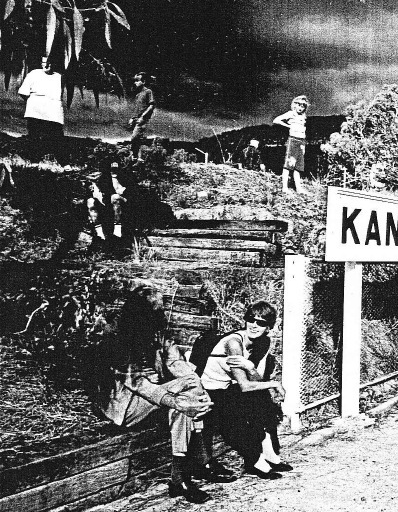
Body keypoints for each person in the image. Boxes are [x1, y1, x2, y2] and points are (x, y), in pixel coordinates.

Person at [93, 285, 215, 504]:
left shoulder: (158, 333)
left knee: (190, 388)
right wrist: (175, 401)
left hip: (151, 394)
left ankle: (186, 472)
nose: (157, 316)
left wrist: (198, 389)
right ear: (136, 312)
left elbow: (176, 362)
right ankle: (188, 471)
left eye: (159, 310)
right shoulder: (120, 339)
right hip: (126, 405)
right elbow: (137, 384)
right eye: (151, 311)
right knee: (182, 405)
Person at [200, 301, 289, 479]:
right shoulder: (234, 343)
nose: (254, 326)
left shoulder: (262, 342)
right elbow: (245, 385)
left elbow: (256, 378)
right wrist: (274, 384)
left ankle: (268, 453)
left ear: (269, 327)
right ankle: (254, 460)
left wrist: (250, 367)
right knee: (238, 412)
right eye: (251, 320)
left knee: (261, 401)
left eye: (261, 323)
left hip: (225, 386)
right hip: (207, 389)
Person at [18, 56, 64, 142]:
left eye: (49, 63)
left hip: (53, 113)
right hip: (36, 110)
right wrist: (34, 102)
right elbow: (23, 92)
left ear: (53, 63)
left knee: (54, 139)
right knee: (35, 137)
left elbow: (59, 95)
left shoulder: (59, 77)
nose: (46, 65)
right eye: (44, 63)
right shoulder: (34, 74)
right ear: (41, 63)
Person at [87, 161, 134, 245]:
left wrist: (122, 191)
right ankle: (99, 233)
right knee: (90, 202)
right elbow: (98, 193)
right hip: (106, 203)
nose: (113, 171)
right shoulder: (105, 179)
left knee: (115, 197)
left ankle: (117, 230)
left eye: (116, 169)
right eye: (112, 169)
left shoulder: (125, 177)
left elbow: (130, 193)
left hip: (121, 203)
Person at [273, 95, 309, 193]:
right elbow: (276, 120)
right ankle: (285, 188)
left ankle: (298, 188)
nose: (301, 108)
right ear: (295, 105)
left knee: (298, 166)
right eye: (299, 105)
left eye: (303, 106)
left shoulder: (303, 116)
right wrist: (288, 126)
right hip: (293, 140)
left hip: (302, 142)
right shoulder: (291, 113)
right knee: (288, 164)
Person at [128, 72, 156, 157]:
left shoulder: (148, 91)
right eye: (135, 81)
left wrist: (143, 117)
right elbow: (137, 109)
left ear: (143, 81)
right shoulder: (138, 94)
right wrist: (132, 118)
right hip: (136, 119)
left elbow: (151, 106)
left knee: (134, 137)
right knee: (136, 139)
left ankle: (137, 155)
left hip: (143, 119)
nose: (135, 82)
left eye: (137, 80)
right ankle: (135, 157)